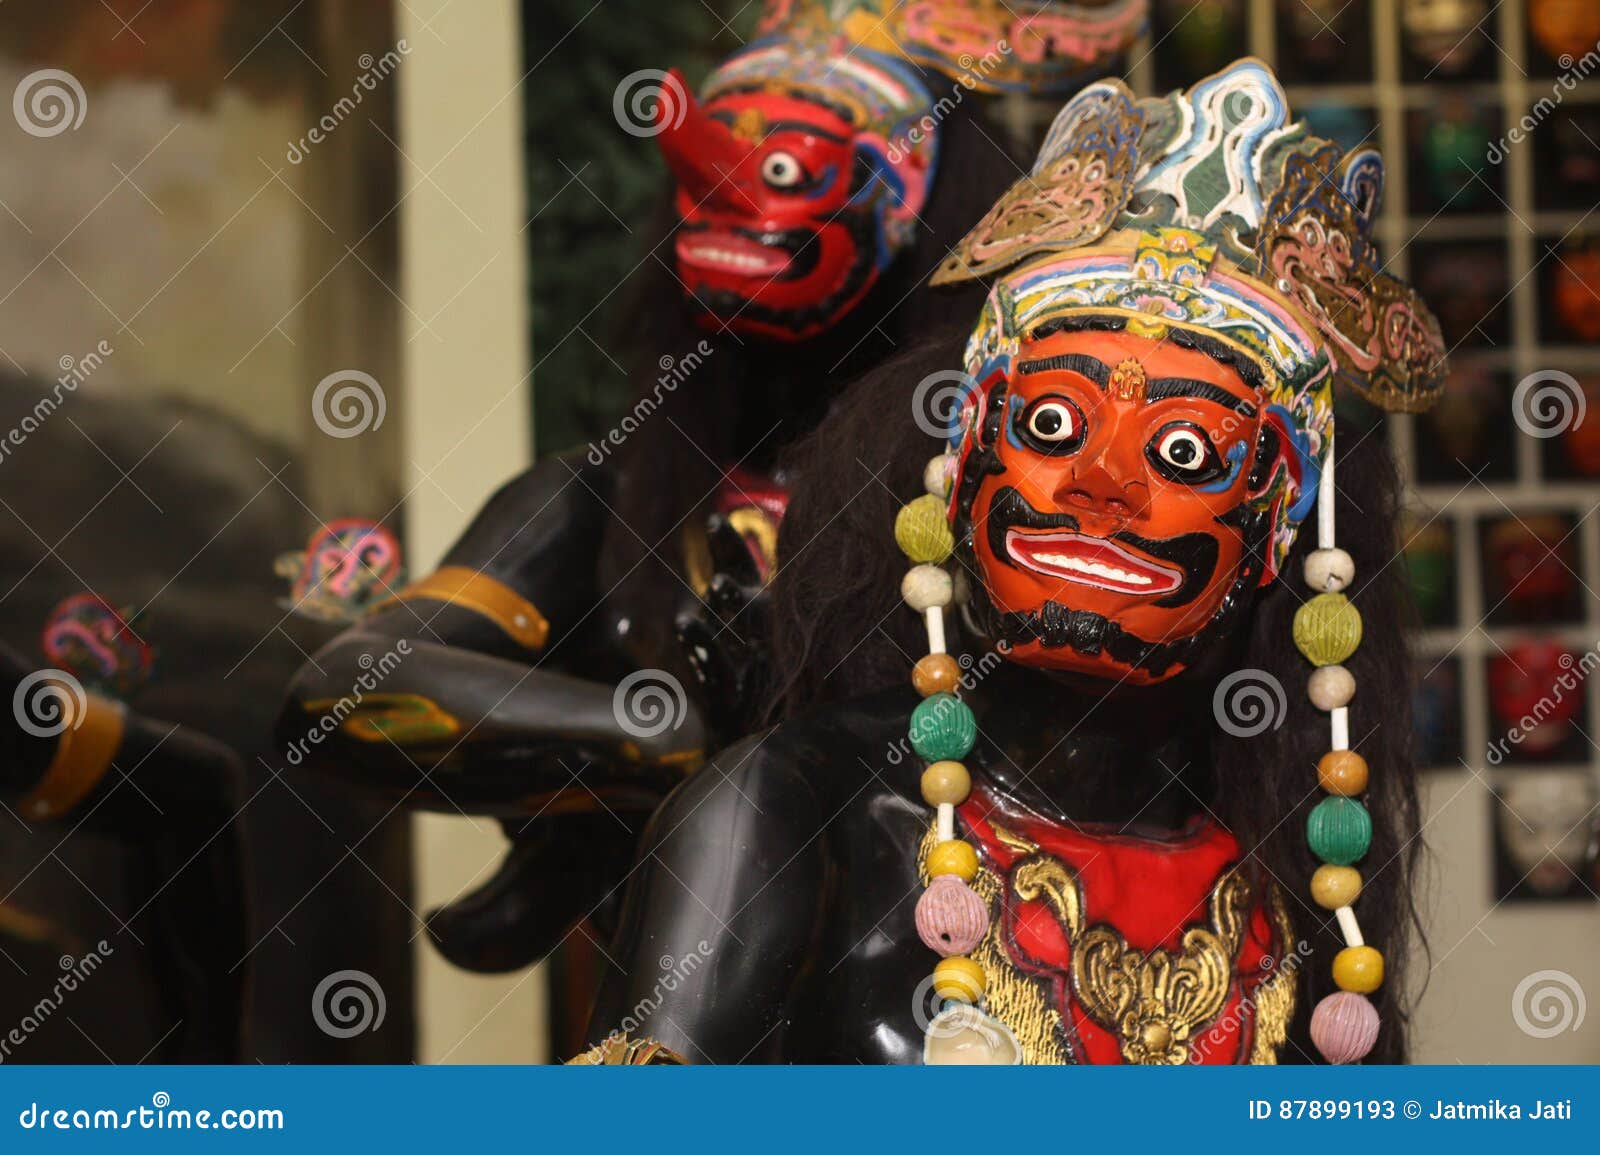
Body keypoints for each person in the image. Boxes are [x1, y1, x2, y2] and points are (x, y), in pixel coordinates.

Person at [580, 59, 1447, 1064]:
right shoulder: (792, 811)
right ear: (958, 472)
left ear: (1277, 531)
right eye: (1050, 423)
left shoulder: (1297, 895)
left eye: (1182, 453)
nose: (1100, 486)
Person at [277, 1, 1146, 976]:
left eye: (785, 164)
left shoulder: (1024, 516)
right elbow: (341, 699)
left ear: (922, 200)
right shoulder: (604, 509)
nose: (727, 194)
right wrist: (677, 748)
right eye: (705, 175)